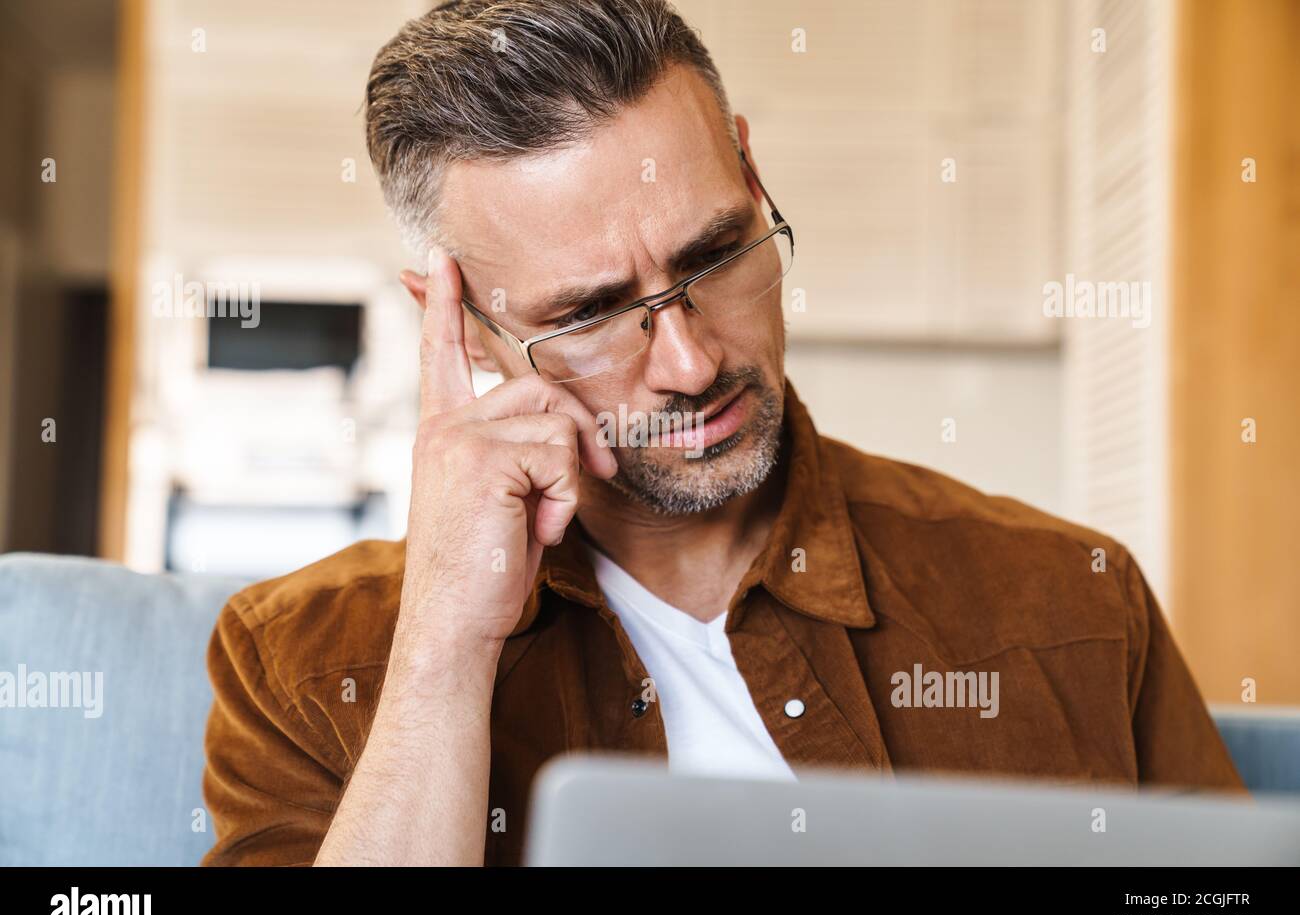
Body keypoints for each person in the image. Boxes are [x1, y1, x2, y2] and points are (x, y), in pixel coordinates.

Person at [200, 0, 1244, 867]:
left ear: (751, 180)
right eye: (595, 311)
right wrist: (442, 653)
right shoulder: (296, 664)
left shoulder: (1069, 595)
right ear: (464, 327)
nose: (693, 363)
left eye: (713, 254)